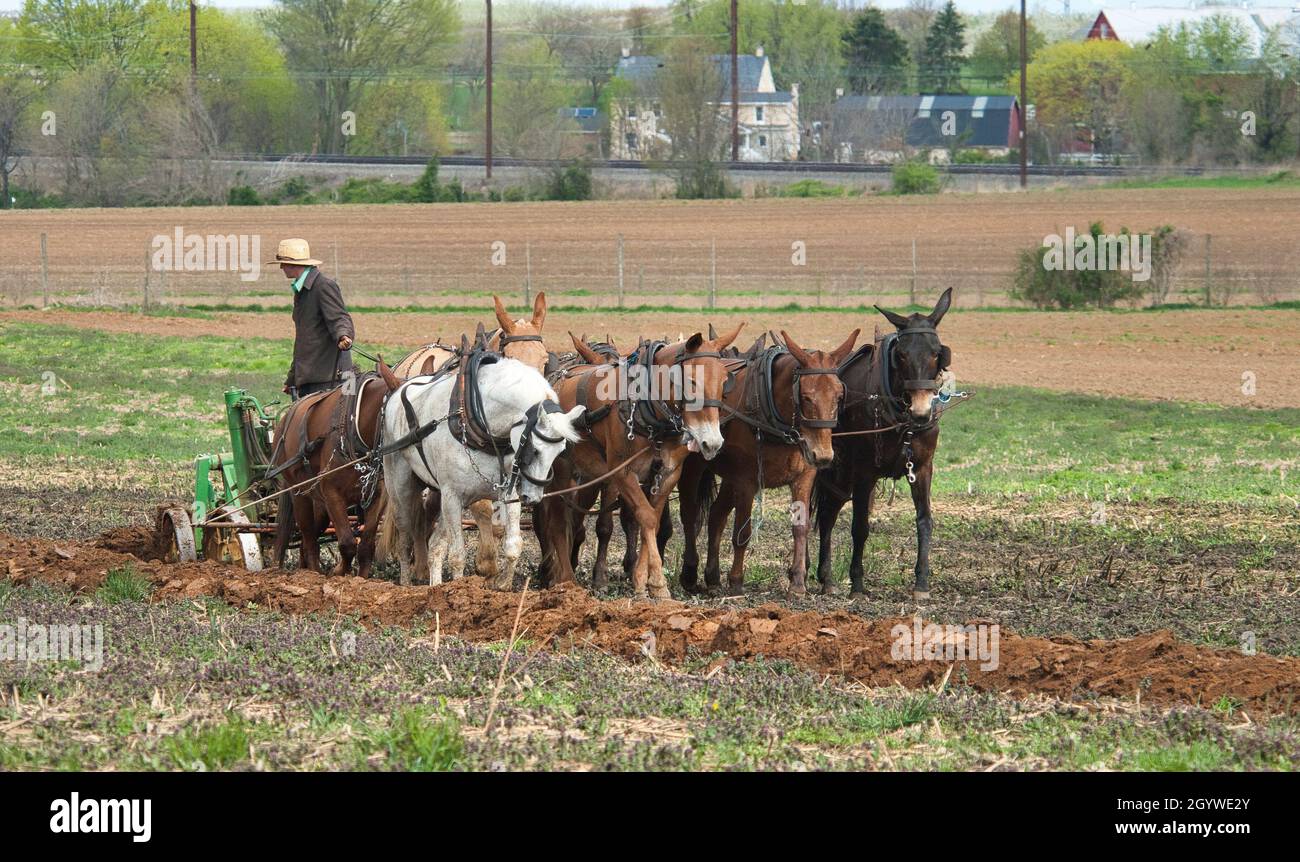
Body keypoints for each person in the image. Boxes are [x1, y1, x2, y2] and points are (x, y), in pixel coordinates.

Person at [268, 238, 355, 399]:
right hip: (313, 378)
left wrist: (344, 335)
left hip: (330, 378)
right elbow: (305, 340)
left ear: (295, 265)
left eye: (283, 263)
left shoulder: (323, 286)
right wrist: (293, 378)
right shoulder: (302, 290)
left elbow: (339, 318)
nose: (281, 267)